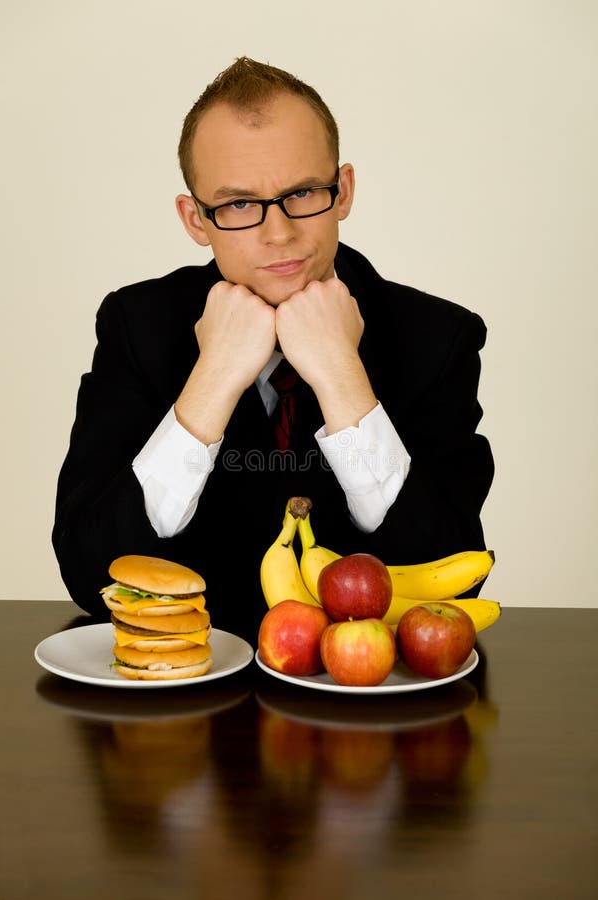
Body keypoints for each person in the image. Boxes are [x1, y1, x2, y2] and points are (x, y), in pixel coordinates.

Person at [52, 57, 494, 645]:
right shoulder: (138, 325)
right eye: (238, 204)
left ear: (344, 192)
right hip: (186, 696)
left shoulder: (438, 337)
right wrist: (211, 379)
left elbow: (450, 586)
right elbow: (90, 573)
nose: (278, 232)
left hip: (369, 703)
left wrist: (343, 379)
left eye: (304, 192)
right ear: (195, 219)